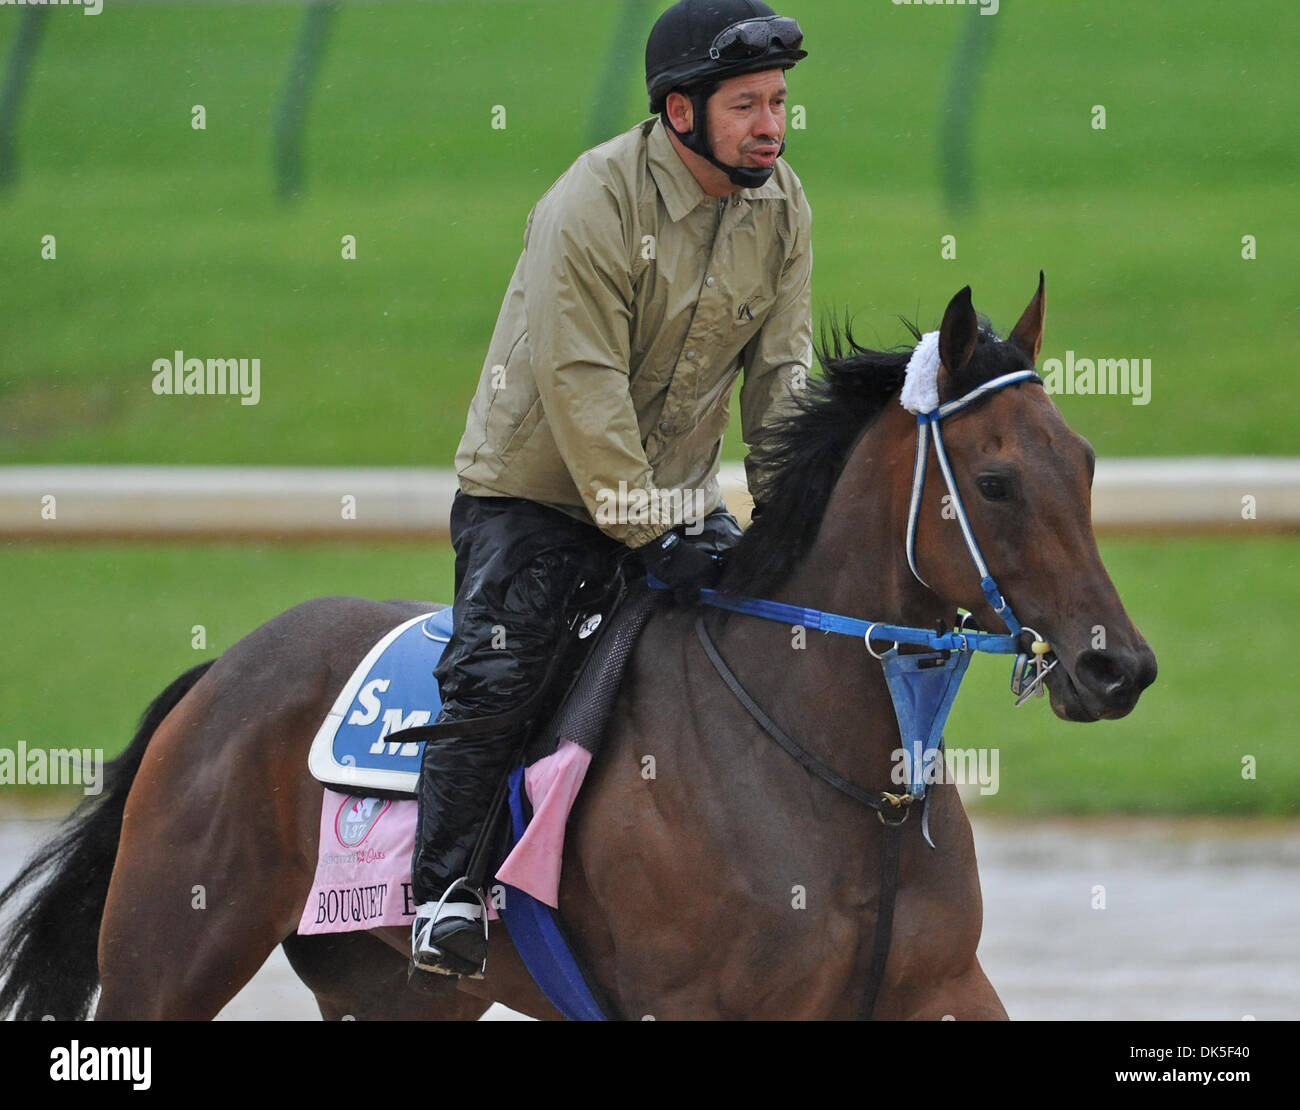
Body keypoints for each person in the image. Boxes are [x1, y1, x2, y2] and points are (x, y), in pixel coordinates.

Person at [410, 0, 813, 981]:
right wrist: (646, 528)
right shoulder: (587, 205)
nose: (773, 125)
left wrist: (793, 519)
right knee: (496, 678)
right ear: (680, 113)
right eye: (748, 106)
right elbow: (580, 384)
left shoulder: (785, 204)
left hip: (675, 502)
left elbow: (781, 379)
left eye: (780, 103)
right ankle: (444, 897)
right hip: (534, 501)